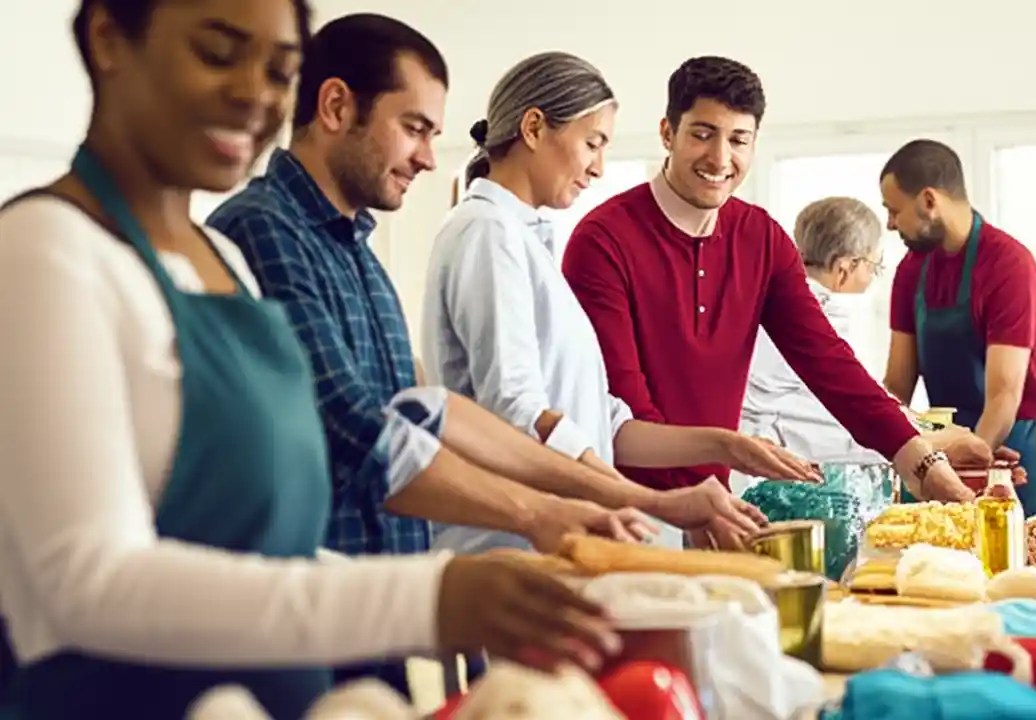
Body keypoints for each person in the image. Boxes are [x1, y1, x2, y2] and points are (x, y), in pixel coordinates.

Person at [0, 2, 619, 718]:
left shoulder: (222, 259)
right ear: (109, 38)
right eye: (217, 51)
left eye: (279, 70)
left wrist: (448, 579)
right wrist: (426, 594)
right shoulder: (44, 253)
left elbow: (270, 547)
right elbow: (87, 584)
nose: (256, 93)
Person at [421, 52, 814, 553]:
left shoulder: (521, 238)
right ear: (535, 128)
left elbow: (601, 418)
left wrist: (725, 445)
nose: (600, 167)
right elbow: (517, 410)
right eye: (593, 143)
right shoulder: (486, 232)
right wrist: (644, 500)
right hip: (512, 543)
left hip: (555, 536)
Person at [562, 56, 988, 518]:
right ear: (668, 133)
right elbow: (624, 409)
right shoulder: (602, 241)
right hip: (626, 510)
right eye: (702, 134)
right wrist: (698, 495)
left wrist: (925, 463)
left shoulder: (761, 239)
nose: (720, 158)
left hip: (715, 504)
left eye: (738, 139)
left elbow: (829, 363)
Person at [880, 139, 1036, 515]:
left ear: (929, 201)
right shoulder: (911, 270)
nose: (890, 223)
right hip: (941, 443)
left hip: (1013, 443)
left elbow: (1004, 397)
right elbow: (897, 385)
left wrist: (970, 466)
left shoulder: (1009, 265)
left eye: (894, 210)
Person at [739, 196, 891, 465]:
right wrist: (925, 440)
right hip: (765, 462)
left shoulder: (763, 299)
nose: (871, 279)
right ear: (844, 268)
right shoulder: (830, 314)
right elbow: (854, 410)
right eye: (873, 267)